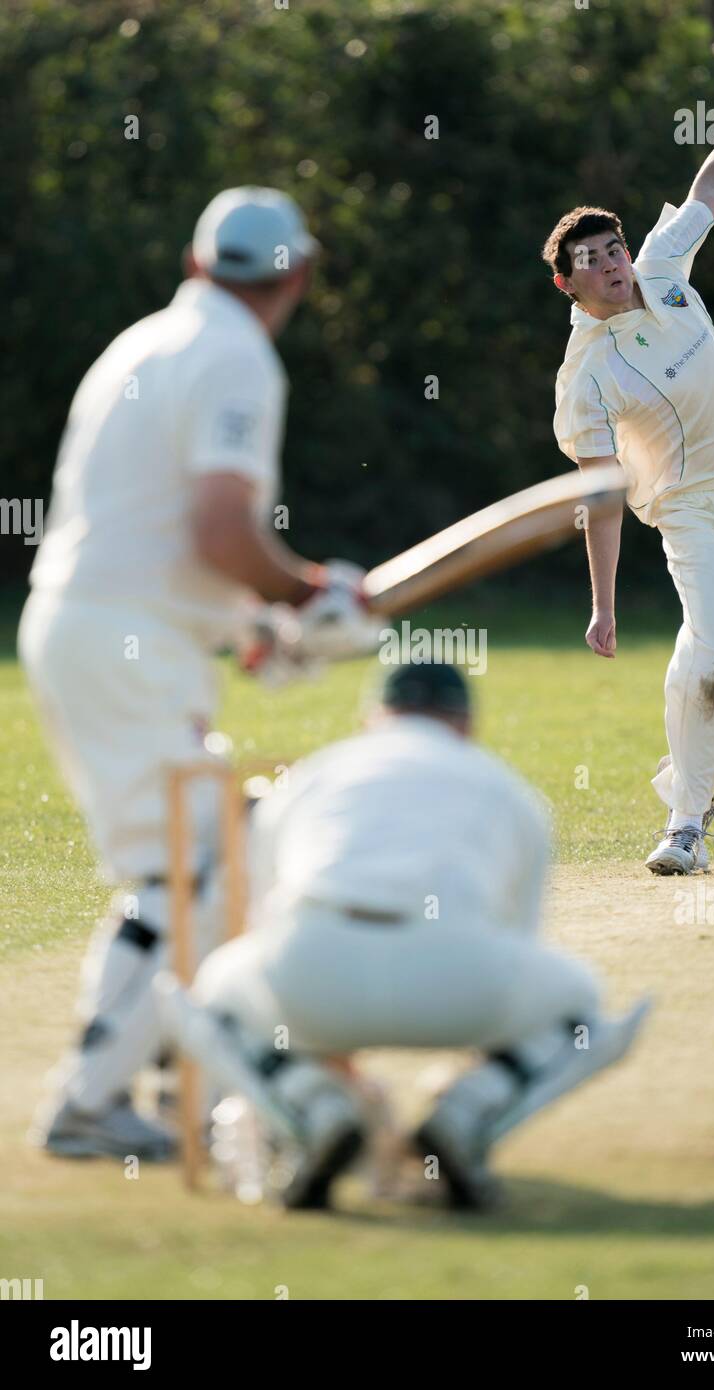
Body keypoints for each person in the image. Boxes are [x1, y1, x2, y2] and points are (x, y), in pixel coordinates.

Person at [20, 186, 377, 1158]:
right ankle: (95, 1102)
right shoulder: (235, 357)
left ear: (195, 262)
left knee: (175, 869)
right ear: (295, 275)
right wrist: (308, 595)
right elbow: (219, 529)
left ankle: (161, 1081)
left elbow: (155, 533)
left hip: (96, 629)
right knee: (206, 865)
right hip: (121, 642)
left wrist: (256, 620)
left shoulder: (146, 342)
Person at [162, 662, 649, 1211]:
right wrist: (480, 1062)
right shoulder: (511, 791)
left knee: (215, 993)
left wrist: (327, 1056)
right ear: (465, 724)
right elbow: (521, 939)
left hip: (314, 972)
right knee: (580, 1005)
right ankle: (466, 1114)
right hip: (460, 981)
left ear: (374, 719)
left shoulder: (310, 778)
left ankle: (317, 1107)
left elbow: (268, 925)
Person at [544, 90, 714, 875]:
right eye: (590, 261)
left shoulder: (663, 266)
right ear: (567, 284)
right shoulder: (587, 376)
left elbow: (708, 195)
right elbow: (600, 496)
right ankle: (687, 822)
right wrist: (603, 604)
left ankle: (694, 774)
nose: (612, 266)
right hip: (690, 511)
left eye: (612, 250)